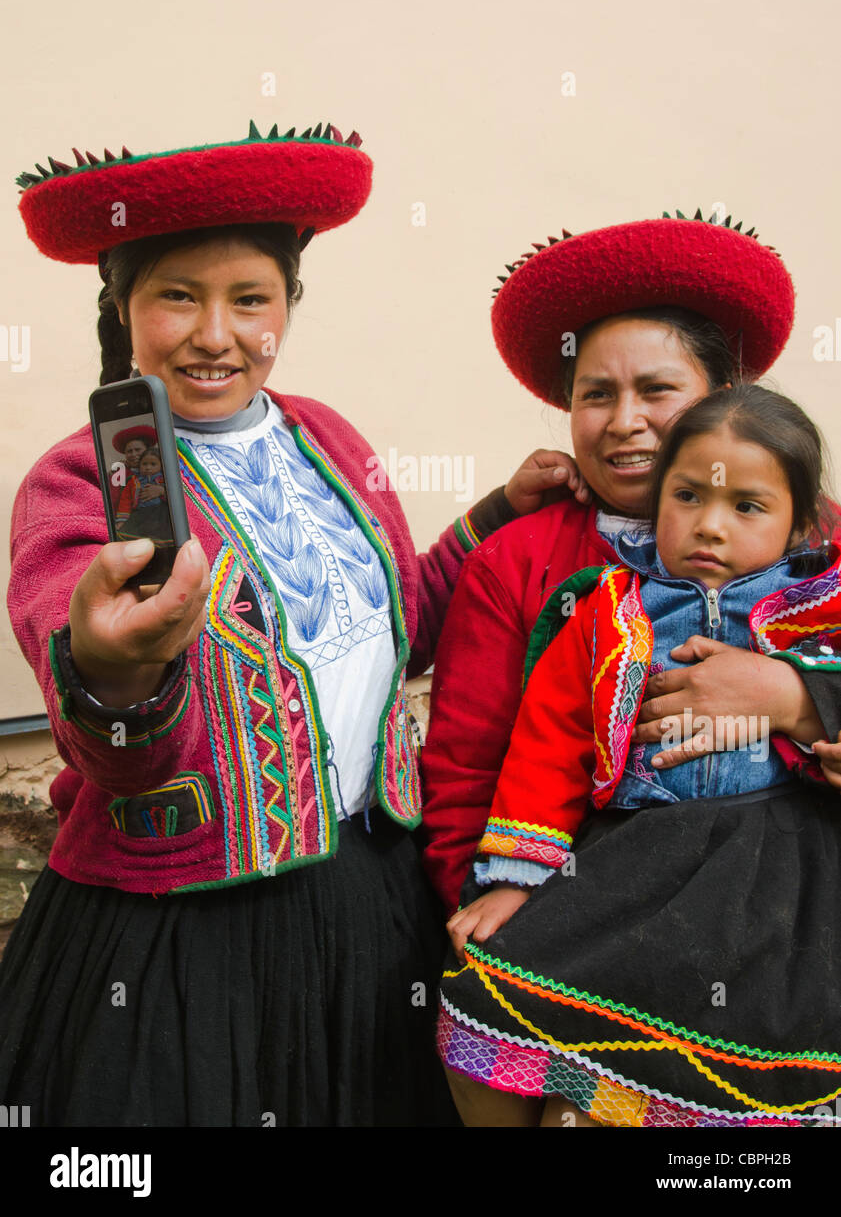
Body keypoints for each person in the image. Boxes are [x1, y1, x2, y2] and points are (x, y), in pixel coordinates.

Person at [0, 122, 579, 1127]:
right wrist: (112, 663)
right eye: (177, 295)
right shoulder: (89, 476)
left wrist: (491, 517)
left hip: (369, 898)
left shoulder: (325, 436)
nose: (216, 333)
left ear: (286, 310)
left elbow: (396, 633)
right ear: (123, 311)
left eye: (250, 299)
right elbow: (109, 738)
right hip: (179, 932)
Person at [439, 383, 841, 1127]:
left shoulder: (825, 606)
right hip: (630, 869)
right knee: (488, 1004)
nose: (709, 527)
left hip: (784, 884)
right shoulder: (605, 612)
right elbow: (548, 746)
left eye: (745, 506)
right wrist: (514, 878)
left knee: (742, 1079)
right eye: (687, 496)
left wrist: (803, 695)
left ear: (798, 525)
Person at [421, 212, 841, 919]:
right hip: (592, 922)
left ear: (722, 396)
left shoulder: (818, 545)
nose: (623, 421)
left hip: (796, 920)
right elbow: (465, 777)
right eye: (595, 394)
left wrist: (793, 699)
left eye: (655, 390)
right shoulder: (519, 559)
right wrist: (492, 909)